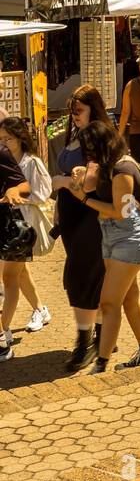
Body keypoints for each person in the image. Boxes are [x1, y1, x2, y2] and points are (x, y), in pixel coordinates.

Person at [69, 121, 140, 372]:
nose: (88, 155)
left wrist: (83, 199)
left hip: (130, 238)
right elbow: (94, 187)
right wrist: (82, 174)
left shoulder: (123, 168)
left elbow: (121, 213)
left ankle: (102, 362)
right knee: (129, 298)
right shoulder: (108, 165)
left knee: (108, 303)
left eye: (90, 150)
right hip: (112, 236)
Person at [51, 86, 111, 372]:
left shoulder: (96, 135)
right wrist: (58, 203)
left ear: (93, 109)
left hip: (91, 214)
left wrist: (62, 183)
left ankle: (85, 341)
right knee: (89, 276)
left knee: (81, 276)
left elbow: (89, 182)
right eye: (72, 111)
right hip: (72, 215)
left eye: (79, 111)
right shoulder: (76, 134)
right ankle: (98, 338)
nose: (74, 116)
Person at [0, 117, 52, 353]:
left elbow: (43, 192)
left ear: (20, 138)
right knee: (20, 274)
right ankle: (40, 309)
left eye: (7, 139)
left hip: (22, 226)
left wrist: (19, 197)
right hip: (8, 224)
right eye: (1, 139)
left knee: (11, 278)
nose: (4, 143)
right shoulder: (5, 159)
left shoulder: (32, 162)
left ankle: (4, 331)